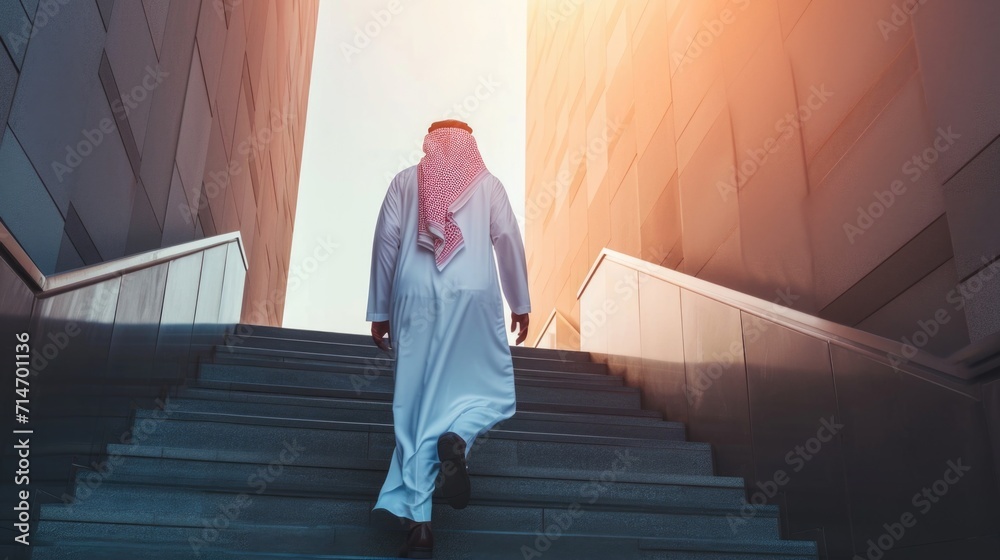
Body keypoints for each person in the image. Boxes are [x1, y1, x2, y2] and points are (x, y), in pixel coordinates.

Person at [366, 119, 531, 558]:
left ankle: (420, 525)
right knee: (491, 392)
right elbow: (508, 238)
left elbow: (386, 241)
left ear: (429, 143)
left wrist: (379, 310)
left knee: (413, 407)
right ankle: (458, 434)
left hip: (414, 297)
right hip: (473, 296)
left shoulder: (405, 182)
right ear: (470, 144)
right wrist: (520, 301)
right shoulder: (488, 184)